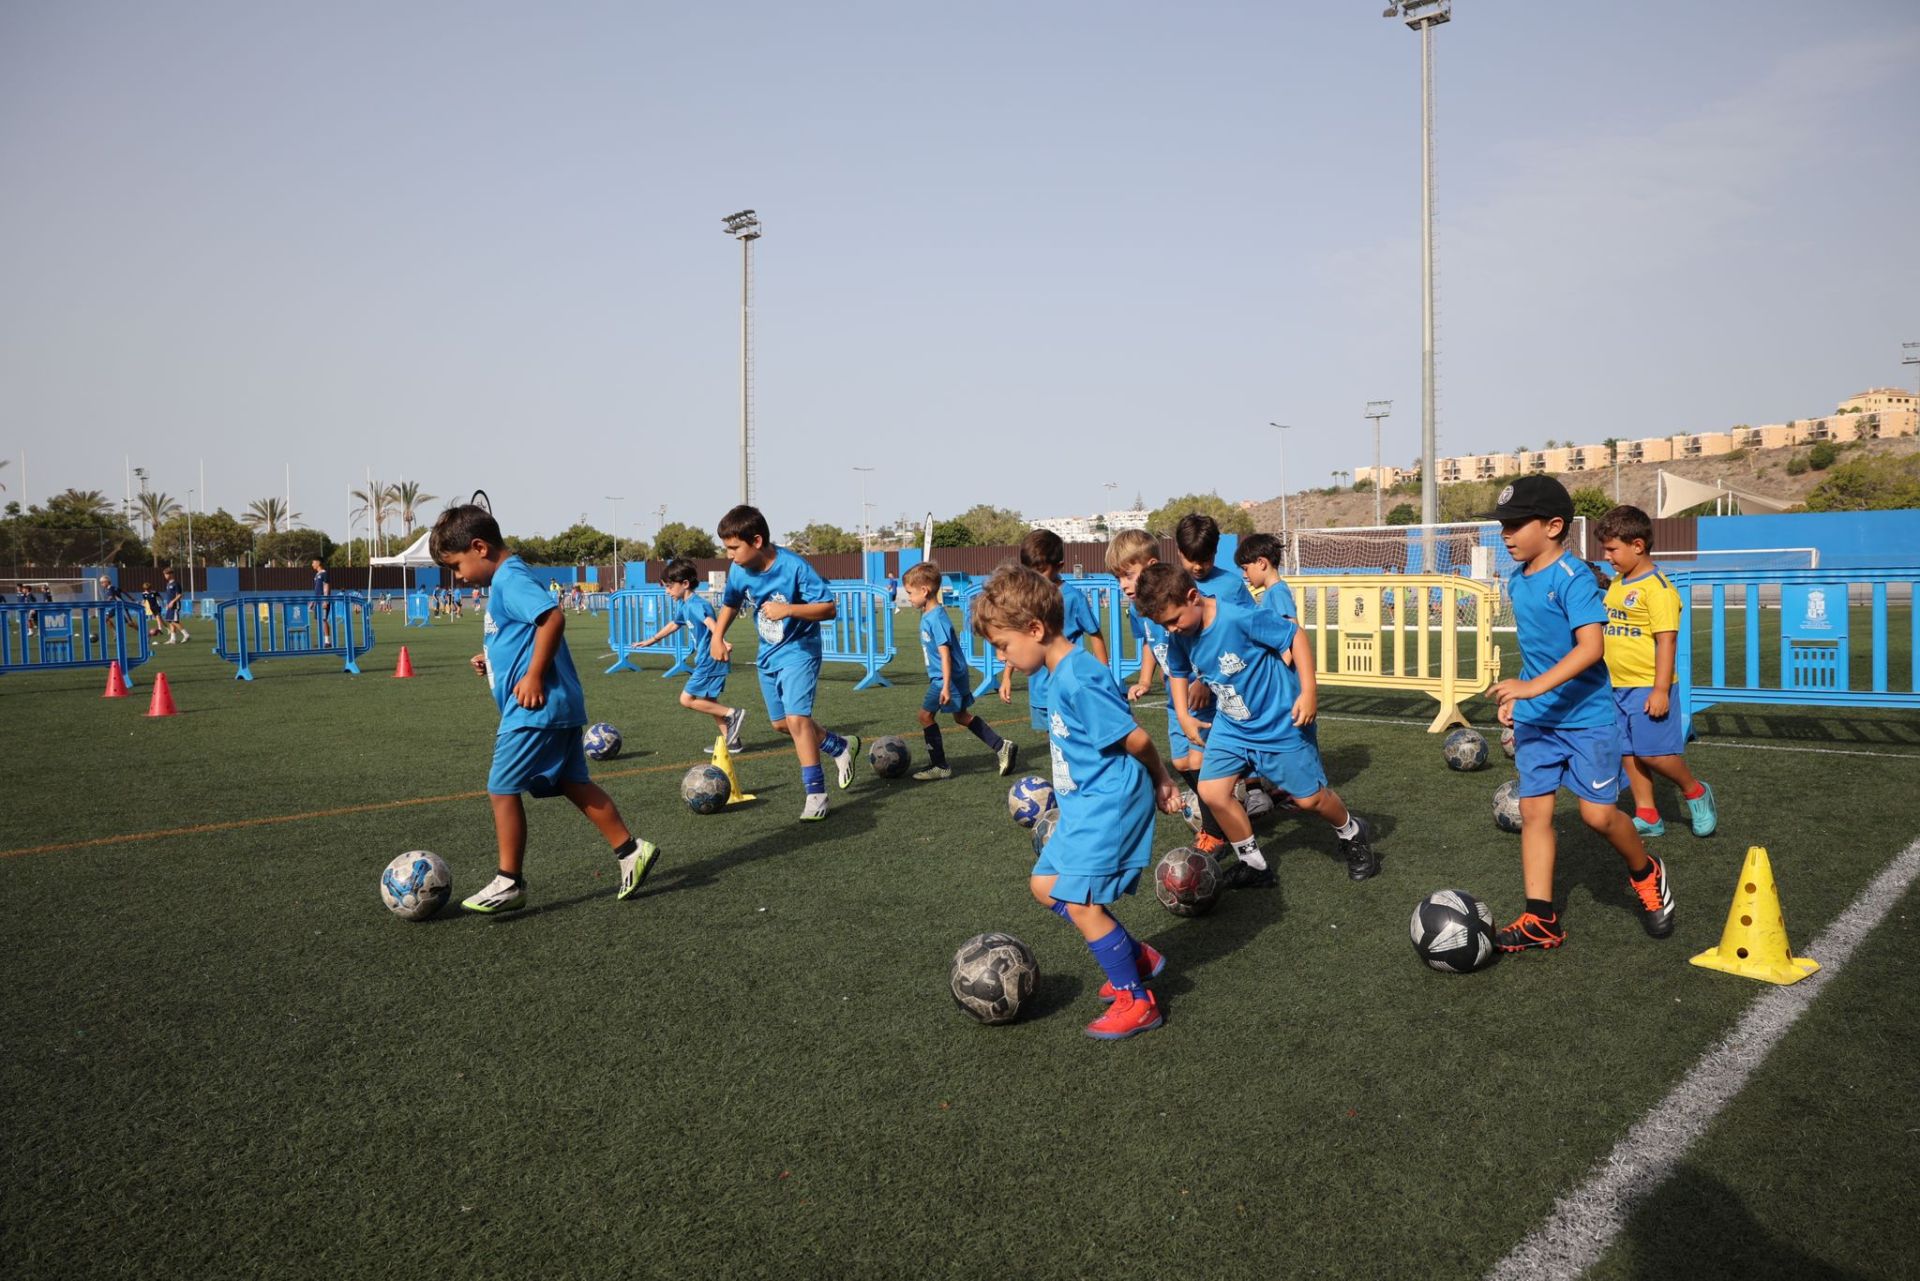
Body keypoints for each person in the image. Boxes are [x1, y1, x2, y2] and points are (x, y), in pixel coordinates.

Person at [971, 564, 1183, 1040]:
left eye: (1003, 645)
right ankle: (1138, 955)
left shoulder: (1079, 677)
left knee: (1082, 904)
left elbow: (1134, 737)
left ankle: (1137, 1000)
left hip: (1110, 804)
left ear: (1035, 629)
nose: (1000, 655)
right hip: (1084, 805)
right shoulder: (1054, 673)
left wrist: (1162, 779)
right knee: (1045, 885)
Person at [431, 501, 659, 914]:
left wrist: (533, 677)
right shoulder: (508, 578)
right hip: (557, 705)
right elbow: (521, 634)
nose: (458, 578)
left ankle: (509, 880)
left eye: (456, 566)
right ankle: (631, 851)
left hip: (535, 709)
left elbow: (552, 619)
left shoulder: (508, 578)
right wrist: (493, 661)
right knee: (573, 782)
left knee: (501, 789)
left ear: (479, 547)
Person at [1483, 477, 1675, 952]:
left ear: (1552, 526)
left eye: (1514, 525)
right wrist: (1518, 699)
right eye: (1502, 526)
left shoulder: (1575, 579)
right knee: (1533, 813)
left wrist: (1530, 688)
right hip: (1538, 721)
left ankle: (1646, 873)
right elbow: (1538, 653)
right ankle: (1540, 918)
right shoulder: (1516, 577)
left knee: (1597, 817)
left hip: (1587, 720)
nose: (1505, 535)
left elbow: (1591, 649)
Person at [1138, 562, 1379, 887]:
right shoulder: (1179, 634)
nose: (1172, 630)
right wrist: (1183, 716)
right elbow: (1178, 671)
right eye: (1163, 625)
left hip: (1278, 724)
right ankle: (1254, 864)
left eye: (1173, 620)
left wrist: (1308, 692)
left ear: (1193, 596)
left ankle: (1351, 832)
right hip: (1231, 726)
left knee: (1310, 801)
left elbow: (1295, 636)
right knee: (1212, 791)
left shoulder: (1237, 618)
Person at [709, 504, 861, 821]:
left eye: (734, 547)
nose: (730, 555)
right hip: (768, 654)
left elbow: (829, 608)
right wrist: (716, 636)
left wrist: (789, 609)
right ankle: (839, 746)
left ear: (757, 541)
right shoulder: (738, 571)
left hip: (801, 651)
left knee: (796, 720)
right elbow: (730, 603)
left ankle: (816, 794)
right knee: (781, 724)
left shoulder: (794, 567)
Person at [1107, 529, 1232, 857]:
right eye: (1118, 577)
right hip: (1174, 692)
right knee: (1180, 761)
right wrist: (1145, 680)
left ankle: (1216, 831)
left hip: (1200, 692)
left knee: (1202, 760)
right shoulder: (1138, 608)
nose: (1122, 584)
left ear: (1149, 565)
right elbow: (1150, 643)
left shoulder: (1181, 597)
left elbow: (1209, 640)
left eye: (1127, 575)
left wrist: (1203, 681)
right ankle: (1222, 807)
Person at [1596, 505, 1717, 839]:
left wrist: (1660, 689)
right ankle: (1648, 814)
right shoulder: (1619, 583)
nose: (1608, 556)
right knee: (1628, 751)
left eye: (1612, 549)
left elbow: (1667, 642)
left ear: (1637, 545)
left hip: (1648, 687)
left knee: (1657, 754)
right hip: (1615, 686)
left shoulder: (1659, 589)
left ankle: (1695, 791)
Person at [902, 560, 1017, 781]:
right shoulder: (931, 614)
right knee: (961, 716)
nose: (908, 597)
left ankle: (940, 766)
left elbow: (945, 654)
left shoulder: (936, 619)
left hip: (946, 679)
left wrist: (944, 685)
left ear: (924, 591)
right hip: (952, 676)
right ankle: (1001, 746)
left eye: (910, 593)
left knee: (925, 716)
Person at [1000, 529, 1109, 735]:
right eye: (1029, 571)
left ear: (1059, 566)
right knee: (1056, 748)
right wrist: (1007, 676)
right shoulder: (1025, 600)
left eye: (1040, 570)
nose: (1033, 577)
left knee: (1077, 741)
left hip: (1069, 687)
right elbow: (1020, 640)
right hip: (1039, 692)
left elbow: (1095, 635)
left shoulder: (1073, 598)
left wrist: (1105, 677)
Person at [635, 557, 747, 752]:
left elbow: (710, 623)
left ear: (685, 584)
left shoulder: (696, 604)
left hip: (711, 658)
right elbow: (674, 624)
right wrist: (652, 639)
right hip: (707, 658)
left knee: (686, 699)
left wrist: (721, 641)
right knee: (709, 701)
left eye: (669, 587)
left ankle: (733, 714)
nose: (667, 591)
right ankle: (732, 740)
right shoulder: (684, 605)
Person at [1233, 531, 1319, 750]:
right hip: (1284, 683)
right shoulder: (1273, 592)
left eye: (1245, 568)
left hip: (1286, 684)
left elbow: (1292, 631)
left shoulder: (1276, 593)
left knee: (1296, 732)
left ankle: (1309, 781)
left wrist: (1275, 671)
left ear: (1261, 563)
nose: (1245, 575)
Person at [1174, 513, 1257, 607]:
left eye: (1205, 560)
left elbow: (1253, 619)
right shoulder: (1168, 585)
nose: (1198, 567)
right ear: (1179, 552)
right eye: (1191, 559)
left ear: (1215, 551)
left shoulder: (1233, 585)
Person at [160, 567, 189, 644]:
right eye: (164, 574)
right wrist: (167, 604)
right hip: (170, 605)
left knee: (175, 621)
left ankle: (186, 635)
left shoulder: (176, 584)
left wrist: (172, 602)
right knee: (170, 621)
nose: (165, 576)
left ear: (171, 574)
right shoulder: (168, 584)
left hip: (175, 605)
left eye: (166, 574)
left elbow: (180, 595)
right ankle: (173, 639)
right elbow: (169, 595)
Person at [311, 558, 333, 646]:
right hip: (317, 601)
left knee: (323, 620)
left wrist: (326, 600)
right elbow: (316, 589)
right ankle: (323, 640)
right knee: (318, 620)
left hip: (323, 600)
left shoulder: (324, 573)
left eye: (313, 562)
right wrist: (313, 601)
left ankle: (327, 641)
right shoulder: (317, 575)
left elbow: (326, 586)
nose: (312, 564)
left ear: (318, 563)